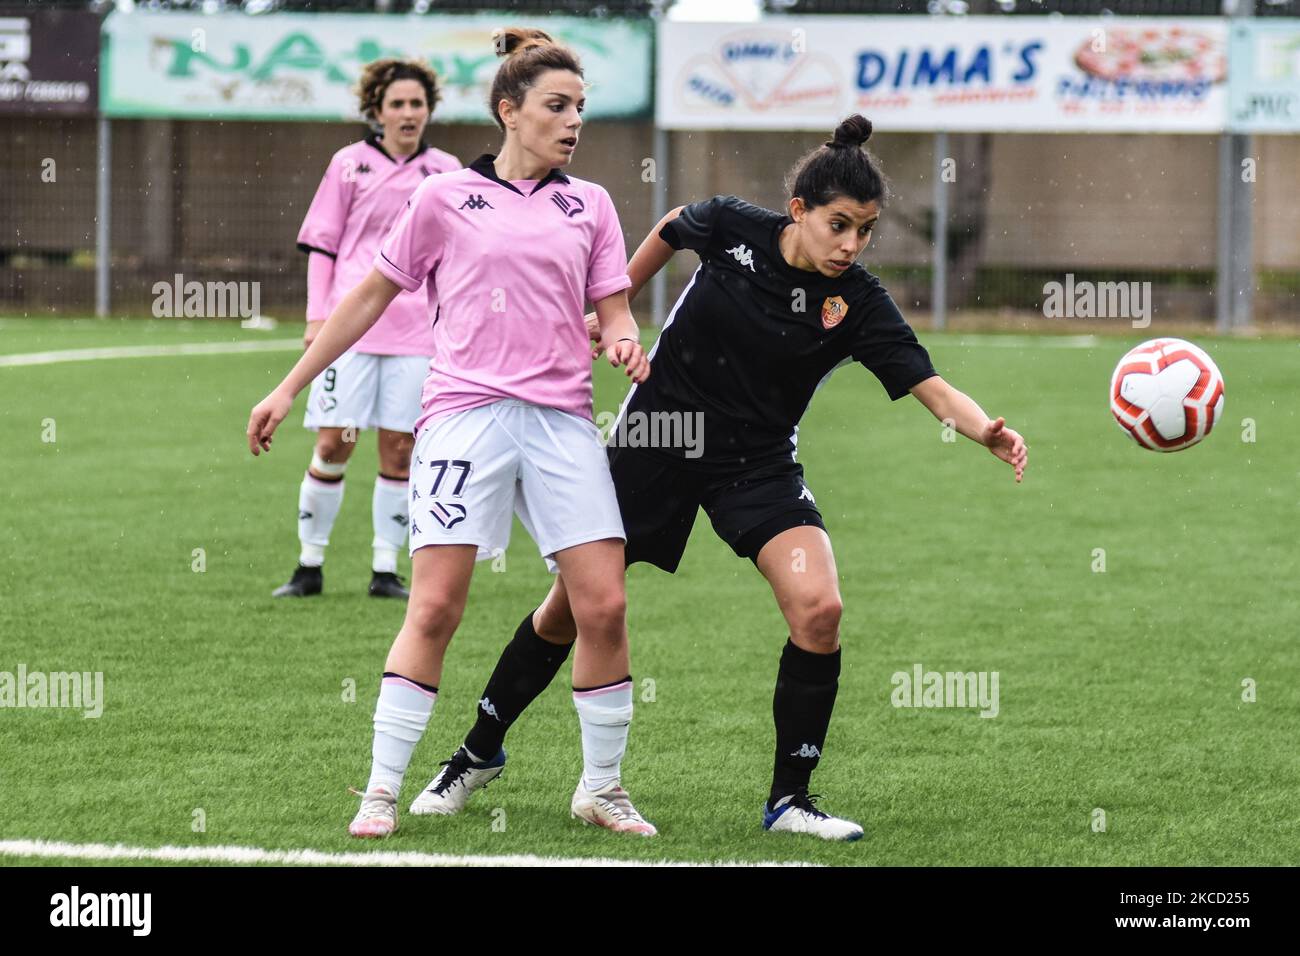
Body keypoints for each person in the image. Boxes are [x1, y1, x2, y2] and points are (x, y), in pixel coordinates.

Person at [413, 114, 1028, 842]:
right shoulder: (734, 227)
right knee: (569, 612)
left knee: (819, 609)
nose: (851, 244)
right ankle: (476, 755)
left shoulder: (856, 302)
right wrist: (612, 308)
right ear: (798, 210)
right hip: (658, 441)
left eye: (865, 230)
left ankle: (790, 800)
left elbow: (926, 381)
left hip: (756, 463)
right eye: (839, 225)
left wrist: (984, 427)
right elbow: (676, 223)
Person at [246, 27, 656, 839]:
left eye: (580, 107)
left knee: (603, 605)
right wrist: (290, 386)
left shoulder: (593, 204)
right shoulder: (441, 199)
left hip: (563, 422)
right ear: (509, 111)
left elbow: (614, 305)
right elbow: (366, 297)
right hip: (465, 419)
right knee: (435, 607)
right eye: (556, 106)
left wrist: (621, 337)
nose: (574, 120)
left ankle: (601, 788)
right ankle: (380, 790)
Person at [275, 58, 459, 600]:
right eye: (397, 104)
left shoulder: (446, 171)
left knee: (400, 449)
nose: (408, 113)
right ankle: (309, 564)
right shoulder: (347, 164)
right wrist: (316, 316)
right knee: (333, 444)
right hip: (348, 331)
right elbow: (323, 245)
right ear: (376, 111)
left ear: (429, 110)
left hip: (414, 335)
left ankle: (385, 569)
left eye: (417, 104)